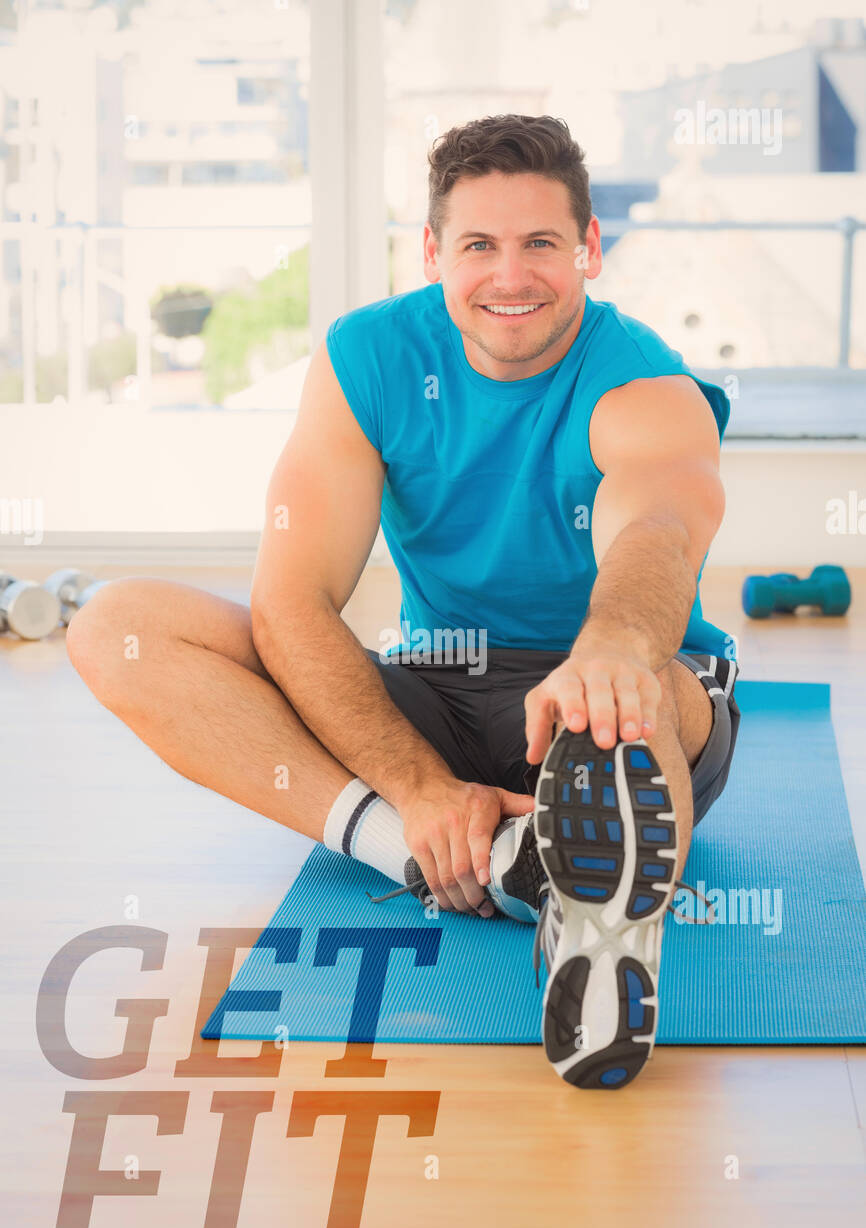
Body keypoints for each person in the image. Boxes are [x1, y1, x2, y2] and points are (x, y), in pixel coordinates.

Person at [67, 113, 741, 1090]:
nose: (509, 276)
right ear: (432, 253)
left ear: (590, 249)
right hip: (437, 684)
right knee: (115, 624)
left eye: (541, 244)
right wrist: (418, 793)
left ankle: (590, 909)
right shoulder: (368, 360)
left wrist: (612, 644)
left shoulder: (646, 385)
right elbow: (290, 602)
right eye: (478, 245)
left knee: (631, 699)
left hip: (610, 693)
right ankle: (466, 861)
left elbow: (657, 535)